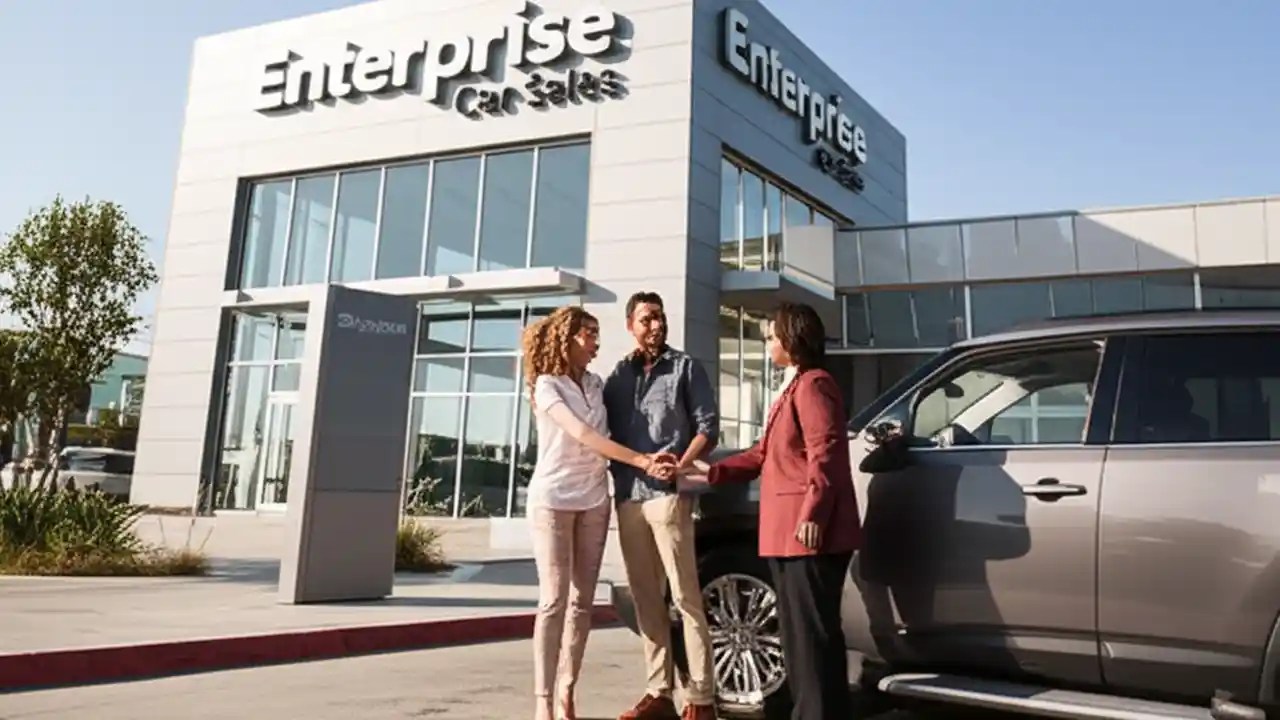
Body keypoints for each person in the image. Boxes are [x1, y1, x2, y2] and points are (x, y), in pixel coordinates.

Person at [681, 302, 862, 720]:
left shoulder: (815, 385)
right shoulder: (793, 385)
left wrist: (813, 514)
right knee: (799, 638)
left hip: (808, 533)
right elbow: (765, 453)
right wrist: (715, 471)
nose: (767, 345)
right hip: (786, 534)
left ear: (793, 338)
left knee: (812, 637)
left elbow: (827, 453)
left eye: (771, 337)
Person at [521, 306, 678, 720]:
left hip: (594, 499)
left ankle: (567, 693)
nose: (596, 342)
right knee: (554, 601)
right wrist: (642, 461)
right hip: (553, 498)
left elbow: (618, 426)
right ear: (568, 337)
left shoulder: (594, 384)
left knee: (581, 604)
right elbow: (586, 435)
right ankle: (542, 700)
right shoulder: (547, 385)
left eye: (596, 333)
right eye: (589, 333)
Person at [603, 292, 719, 720]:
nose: (657, 324)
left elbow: (709, 428)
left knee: (686, 597)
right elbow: (602, 433)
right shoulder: (617, 377)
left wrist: (682, 465)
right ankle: (659, 693)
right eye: (648, 318)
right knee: (646, 598)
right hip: (629, 497)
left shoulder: (686, 368)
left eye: (661, 317)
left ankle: (702, 698)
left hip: (669, 498)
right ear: (631, 325)